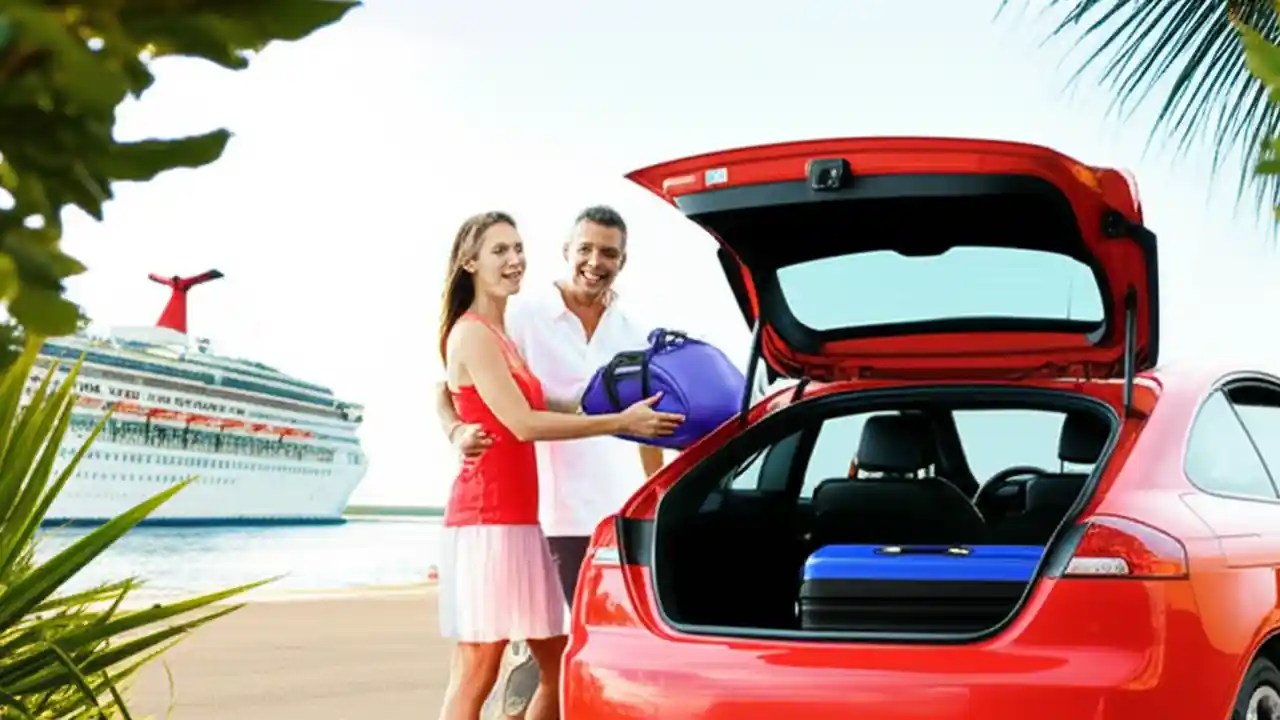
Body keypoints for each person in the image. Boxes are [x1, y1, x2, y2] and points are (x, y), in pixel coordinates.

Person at [435, 210, 683, 720]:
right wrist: (620, 420)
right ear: (469, 261)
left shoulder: (501, 331)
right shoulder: (483, 330)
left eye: (516, 248)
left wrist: (631, 422)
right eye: (500, 250)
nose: (513, 260)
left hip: (522, 519)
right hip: (490, 518)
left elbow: (556, 400)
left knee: (560, 661)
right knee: (479, 668)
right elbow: (523, 422)